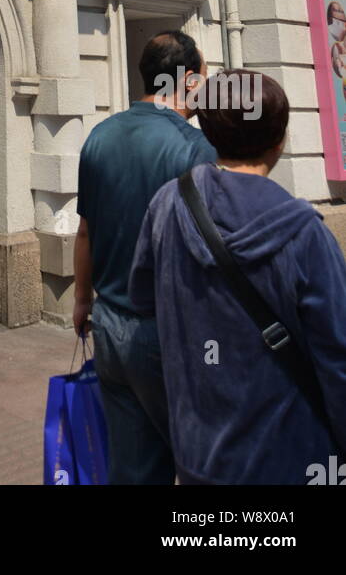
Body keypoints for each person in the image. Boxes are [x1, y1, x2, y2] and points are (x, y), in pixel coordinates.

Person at [129, 70, 346, 485]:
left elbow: (143, 300)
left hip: (199, 456)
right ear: (280, 139)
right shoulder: (304, 232)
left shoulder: (167, 204)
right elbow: (338, 358)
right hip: (293, 459)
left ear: (209, 132)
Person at [73, 30, 218, 484]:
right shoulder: (196, 148)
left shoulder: (99, 135)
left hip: (110, 325)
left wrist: (82, 301)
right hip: (172, 331)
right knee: (204, 461)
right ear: (190, 79)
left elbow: (85, 231)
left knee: (133, 468)